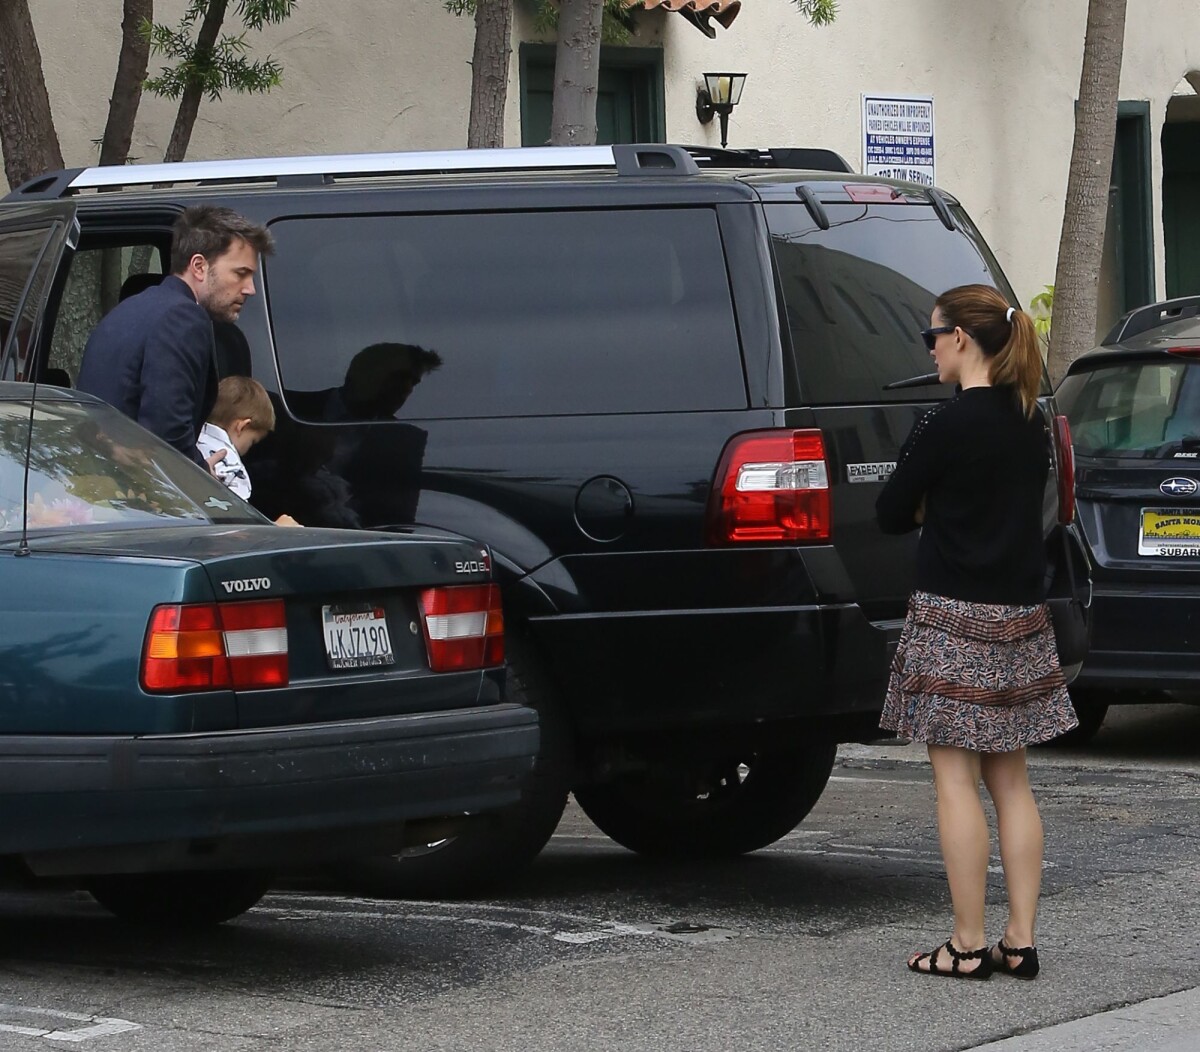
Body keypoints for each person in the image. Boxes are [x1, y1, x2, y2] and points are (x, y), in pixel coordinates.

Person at [875, 283, 1079, 981]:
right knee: (1012, 782)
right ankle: (1019, 940)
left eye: (932, 336)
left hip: (951, 617)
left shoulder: (946, 425)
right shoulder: (1030, 420)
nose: (929, 349)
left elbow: (890, 512)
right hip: (1020, 618)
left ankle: (965, 945)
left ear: (961, 338)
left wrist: (934, 506)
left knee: (953, 783)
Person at [77, 206, 273, 467]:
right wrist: (202, 475)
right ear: (199, 266)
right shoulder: (184, 319)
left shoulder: (127, 311)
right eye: (241, 273)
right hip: (139, 492)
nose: (250, 289)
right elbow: (166, 433)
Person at [198, 376, 300, 527]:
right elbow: (238, 525)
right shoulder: (231, 467)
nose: (249, 449)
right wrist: (275, 528)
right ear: (242, 426)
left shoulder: (193, 443)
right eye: (253, 441)